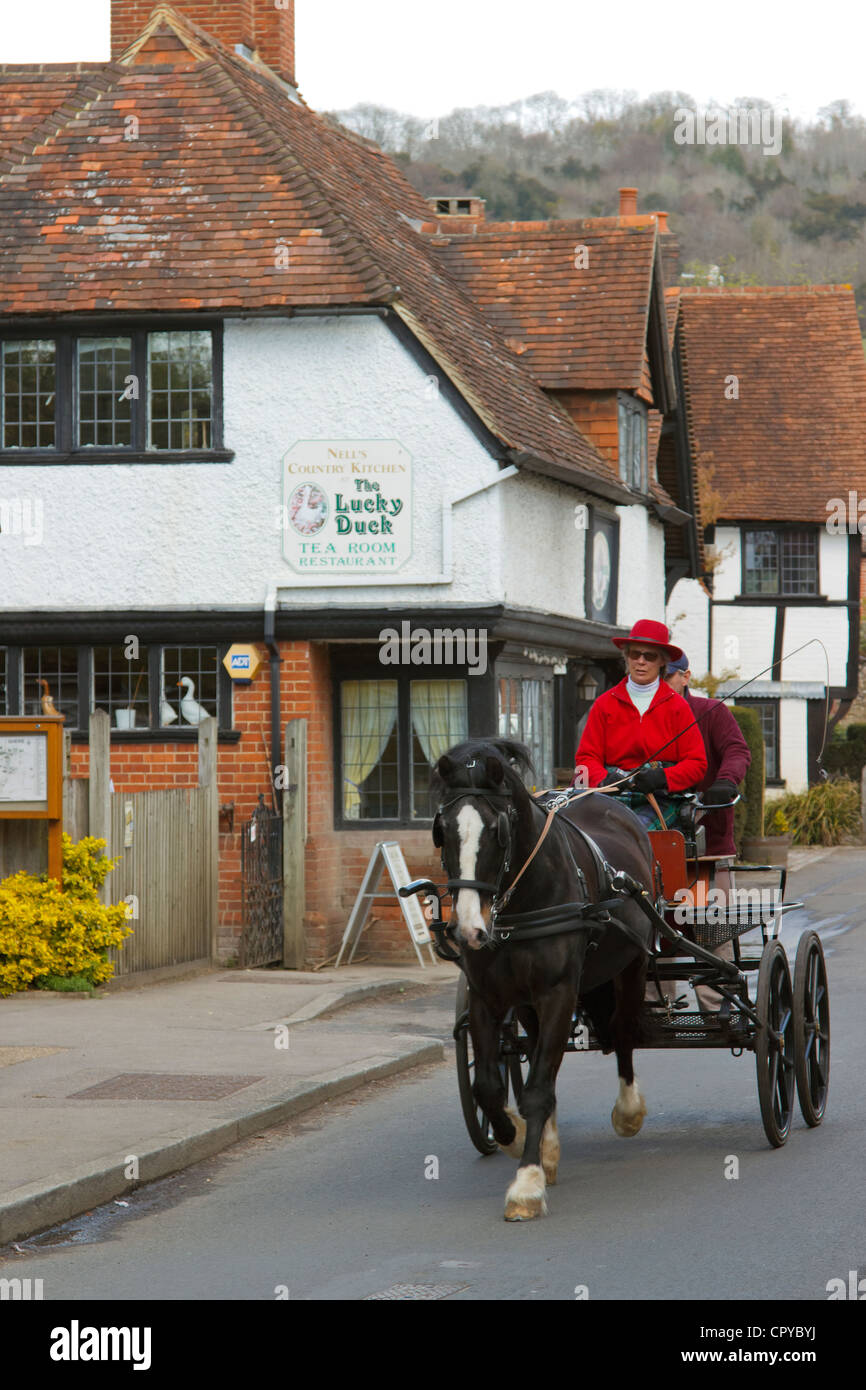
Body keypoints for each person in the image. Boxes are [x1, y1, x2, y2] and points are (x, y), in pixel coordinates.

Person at [663, 652, 751, 1011]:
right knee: (653, 923)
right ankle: (656, 1003)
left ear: (686, 676)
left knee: (706, 918)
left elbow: (736, 750)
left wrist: (726, 781)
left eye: (668, 675)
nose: (661, 682)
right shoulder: (643, 717)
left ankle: (718, 1003)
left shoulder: (710, 711)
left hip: (704, 843)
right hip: (651, 841)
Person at [574, 619, 707, 830]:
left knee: (631, 833)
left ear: (662, 661)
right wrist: (604, 778)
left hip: (661, 797)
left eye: (649, 656)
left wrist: (663, 777)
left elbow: (697, 764)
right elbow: (585, 759)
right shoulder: (604, 704)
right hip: (611, 794)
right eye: (635, 654)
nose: (641, 661)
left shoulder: (678, 707)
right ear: (627, 657)